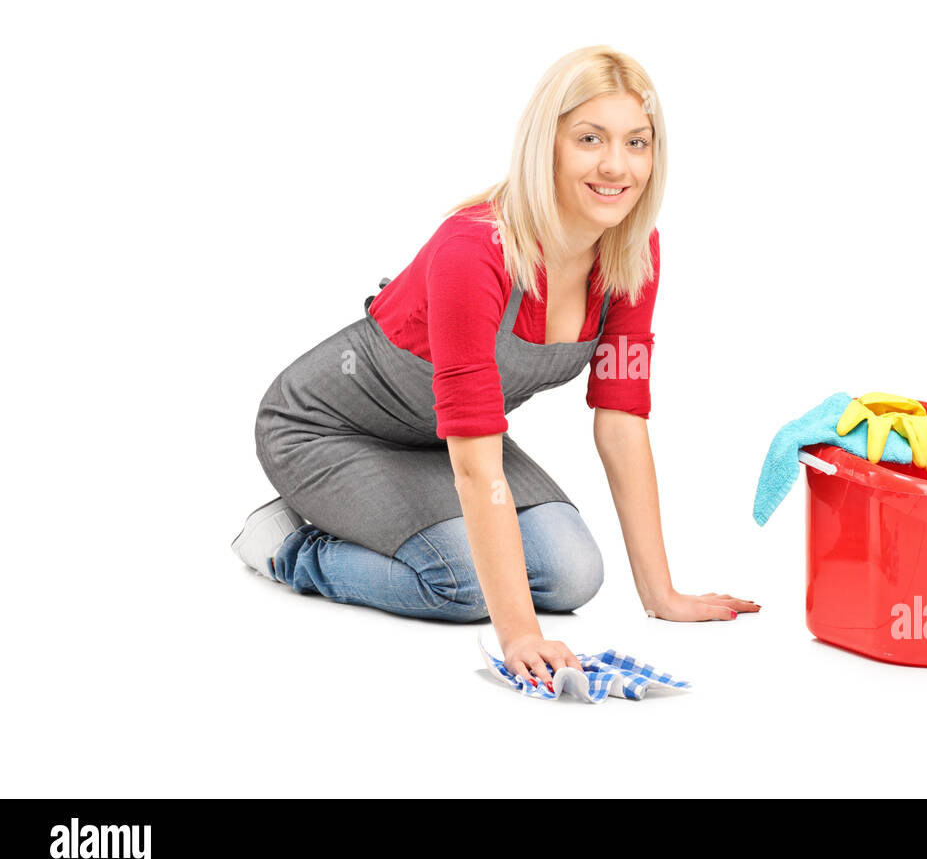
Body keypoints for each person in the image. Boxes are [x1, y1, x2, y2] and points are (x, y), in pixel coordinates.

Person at [233, 45, 759, 688]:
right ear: (550, 145)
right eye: (590, 138)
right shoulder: (474, 250)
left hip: (439, 440)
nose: (617, 166)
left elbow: (621, 422)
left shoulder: (631, 253)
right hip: (322, 430)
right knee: (459, 584)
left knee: (573, 574)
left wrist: (663, 595)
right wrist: (520, 635)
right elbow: (477, 462)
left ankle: (396, 523)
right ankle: (290, 547)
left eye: (637, 142)